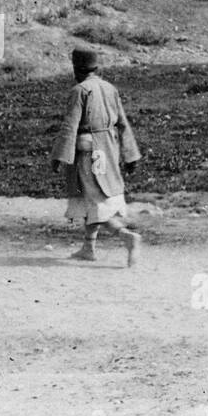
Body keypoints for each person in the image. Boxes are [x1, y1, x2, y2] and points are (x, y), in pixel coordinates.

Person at [50, 47, 143, 266]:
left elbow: (70, 126)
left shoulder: (79, 91)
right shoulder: (109, 88)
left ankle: (127, 237)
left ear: (76, 69)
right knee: (94, 201)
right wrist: (130, 156)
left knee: (96, 202)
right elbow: (123, 123)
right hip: (109, 150)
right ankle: (88, 247)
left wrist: (58, 157)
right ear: (96, 67)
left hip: (88, 154)